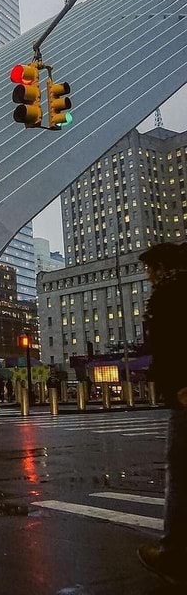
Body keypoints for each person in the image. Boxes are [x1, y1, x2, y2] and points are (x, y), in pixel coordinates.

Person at [136, 242, 187, 586]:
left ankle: (173, 554)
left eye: (151, 269)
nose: (149, 277)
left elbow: (169, 345)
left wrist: (180, 387)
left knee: (181, 472)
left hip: (184, 396)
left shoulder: (170, 295)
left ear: (161, 268)